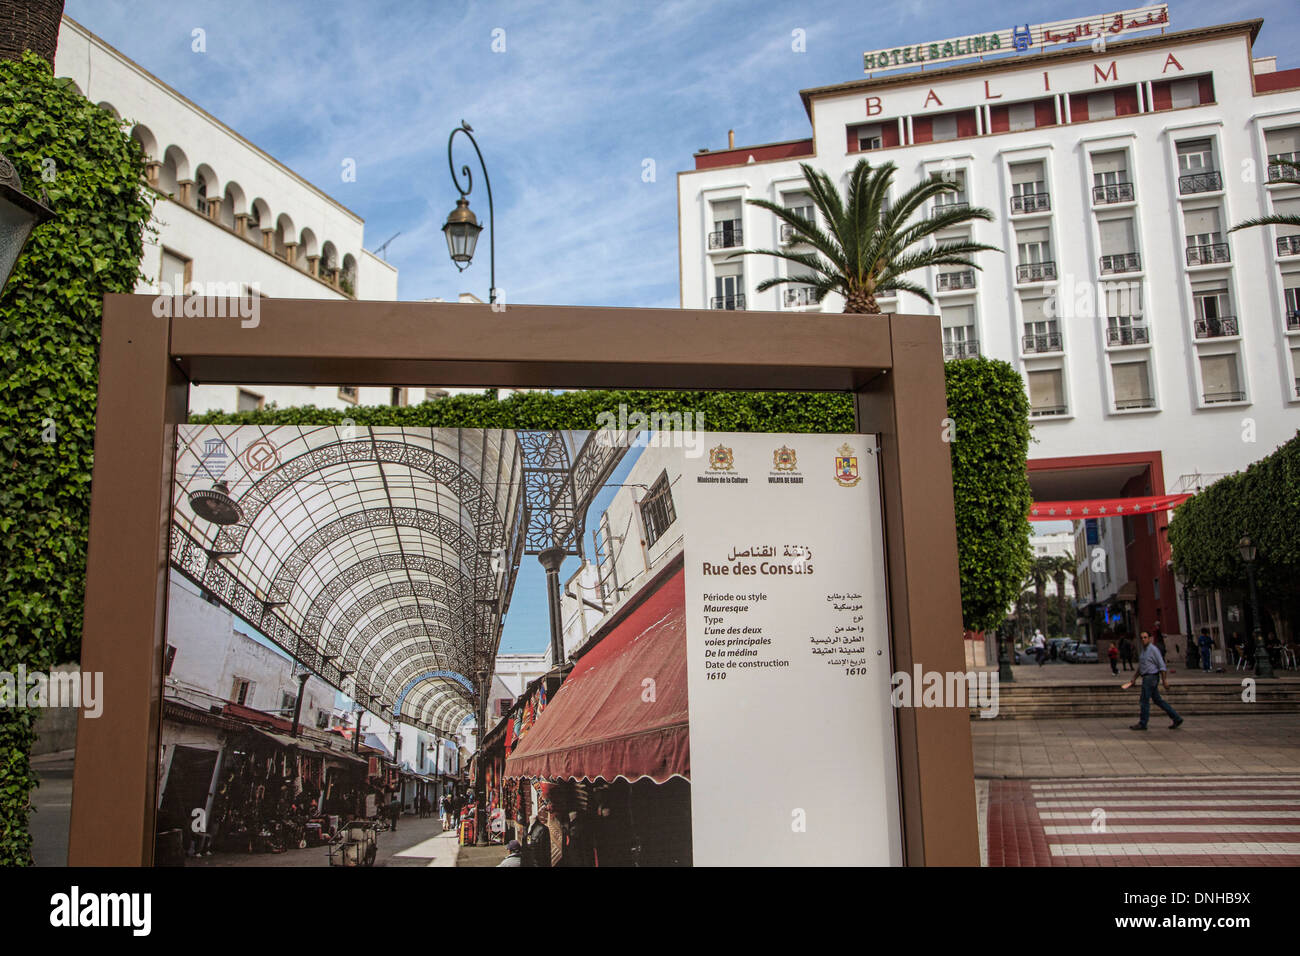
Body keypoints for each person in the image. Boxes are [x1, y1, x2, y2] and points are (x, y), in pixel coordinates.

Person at [1122, 630, 1183, 731]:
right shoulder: (1144, 650)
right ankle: (1176, 718)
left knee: (1144, 700)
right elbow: (1141, 666)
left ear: (1149, 638)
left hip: (1151, 677)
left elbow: (1162, 666)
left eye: (1145, 637)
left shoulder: (1153, 650)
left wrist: (1164, 681)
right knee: (1157, 700)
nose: (1143, 639)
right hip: (1146, 676)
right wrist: (1134, 678)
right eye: (1141, 638)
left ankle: (1143, 723)